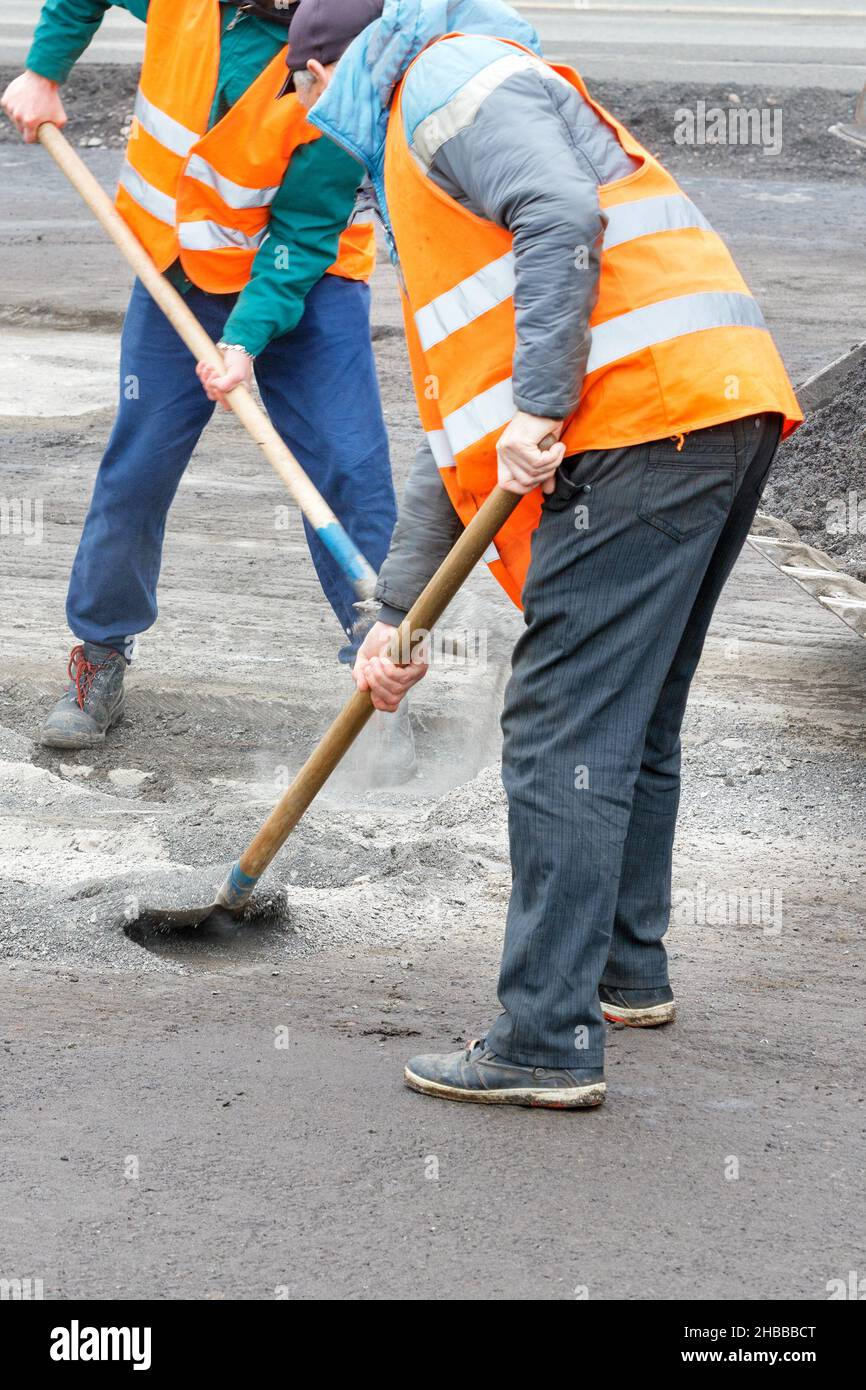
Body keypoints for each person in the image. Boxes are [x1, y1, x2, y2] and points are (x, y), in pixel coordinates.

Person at [288, 0, 803, 1108]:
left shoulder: (433, 80)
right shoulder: (432, 148)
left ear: (325, 67)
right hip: (707, 403)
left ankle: (543, 1038)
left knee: (558, 725)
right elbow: (455, 446)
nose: (307, 125)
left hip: (643, 424)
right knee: (633, 710)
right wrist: (394, 618)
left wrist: (538, 400)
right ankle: (622, 969)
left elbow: (560, 210)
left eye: (300, 95)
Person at [2, 0, 409, 778]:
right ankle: (99, 655)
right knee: (138, 467)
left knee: (352, 474)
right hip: (176, 276)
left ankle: (380, 681)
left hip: (309, 283)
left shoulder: (338, 52)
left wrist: (244, 343)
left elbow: (302, 233)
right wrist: (44, 72)